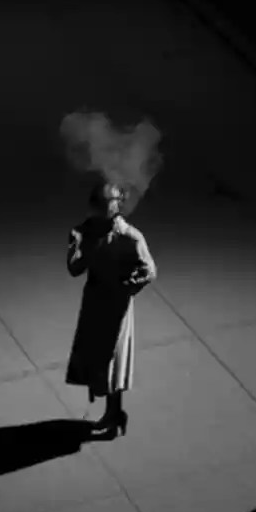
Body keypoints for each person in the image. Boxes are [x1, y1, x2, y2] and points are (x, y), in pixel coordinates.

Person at [65, 182, 157, 438]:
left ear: (117, 206)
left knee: (110, 361)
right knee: (95, 356)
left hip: (116, 306)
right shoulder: (86, 231)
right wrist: (79, 245)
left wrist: (132, 284)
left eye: (104, 203)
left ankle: (114, 414)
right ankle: (113, 413)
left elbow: (149, 270)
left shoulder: (130, 236)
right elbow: (74, 269)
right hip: (94, 301)